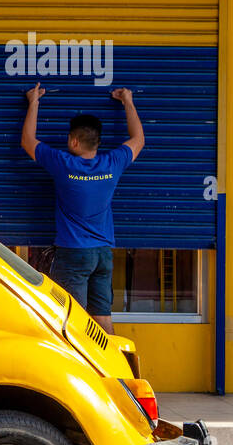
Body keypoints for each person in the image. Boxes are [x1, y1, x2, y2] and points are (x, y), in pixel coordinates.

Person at [21, 83, 144, 334]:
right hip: (102, 253)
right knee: (103, 317)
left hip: (74, 254)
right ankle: (111, 369)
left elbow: (27, 141)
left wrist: (34, 101)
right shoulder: (113, 162)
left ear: (74, 141)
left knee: (70, 318)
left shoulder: (63, 164)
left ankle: (77, 370)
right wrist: (128, 102)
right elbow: (138, 139)